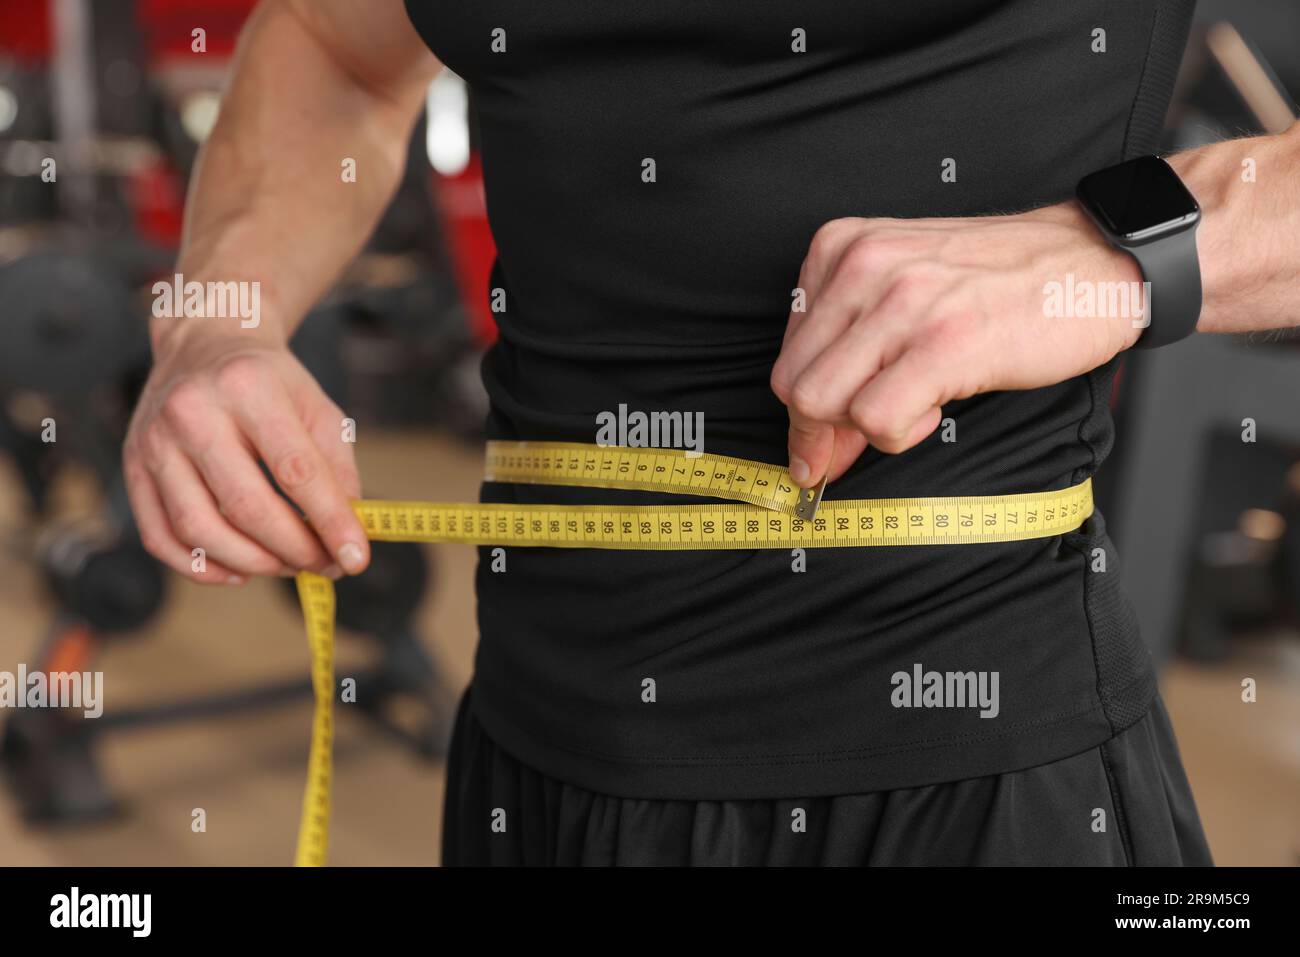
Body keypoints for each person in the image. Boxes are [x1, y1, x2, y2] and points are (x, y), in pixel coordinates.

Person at [124, 0, 1299, 865]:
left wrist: (1117, 250)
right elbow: (335, 45)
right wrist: (219, 321)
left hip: (972, 778)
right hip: (534, 764)